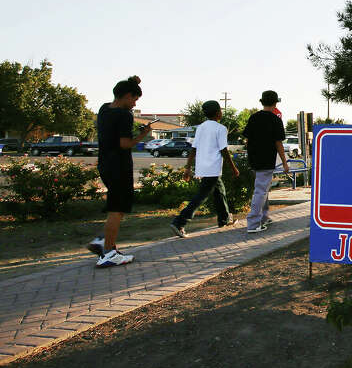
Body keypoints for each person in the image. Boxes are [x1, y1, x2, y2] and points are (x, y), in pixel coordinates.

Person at [87, 75, 154, 268]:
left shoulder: (104, 109)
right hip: (119, 165)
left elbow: (121, 94)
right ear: (126, 95)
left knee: (120, 206)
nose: (134, 104)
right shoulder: (125, 115)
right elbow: (125, 143)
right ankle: (108, 252)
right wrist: (142, 134)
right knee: (117, 208)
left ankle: (102, 241)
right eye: (134, 99)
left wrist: (133, 83)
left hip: (105, 163)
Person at [169, 100, 239, 237]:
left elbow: (193, 149)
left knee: (220, 192)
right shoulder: (221, 128)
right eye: (221, 110)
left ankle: (224, 219)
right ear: (218, 112)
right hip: (213, 167)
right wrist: (233, 167)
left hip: (203, 167)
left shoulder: (201, 127)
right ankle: (179, 222)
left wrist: (188, 168)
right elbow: (224, 150)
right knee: (202, 196)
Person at [242, 90, 289, 233]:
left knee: (263, 189)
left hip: (254, 158)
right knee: (261, 191)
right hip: (267, 159)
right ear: (275, 103)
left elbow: (247, 140)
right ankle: (253, 223)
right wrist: (285, 163)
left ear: (262, 102)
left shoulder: (253, 117)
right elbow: (278, 143)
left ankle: (264, 217)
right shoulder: (276, 120)